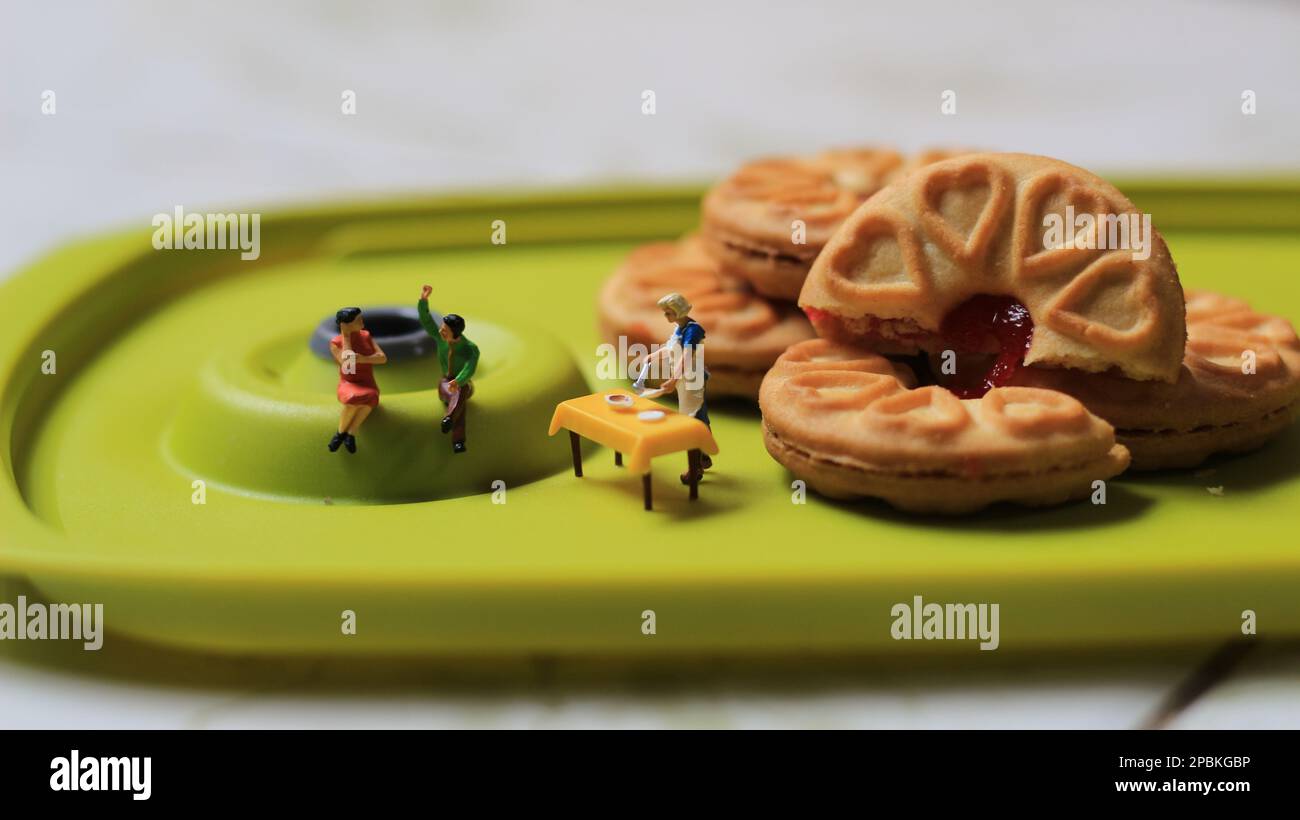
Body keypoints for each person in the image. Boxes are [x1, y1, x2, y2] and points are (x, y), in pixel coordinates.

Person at [633, 292, 713, 483]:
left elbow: (685, 357)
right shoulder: (680, 328)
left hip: (691, 380)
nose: (665, 316)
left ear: (678, 311)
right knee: (696, 417)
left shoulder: (693, 331)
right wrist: (653, 356)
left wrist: (673, 379)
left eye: (668, 312)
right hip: (685, 381)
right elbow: (671, 349)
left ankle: (696, 468)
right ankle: (703, 456)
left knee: (690, 422)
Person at [417, 284, 480, 454]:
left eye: (445, 330)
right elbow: (426, 321)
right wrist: (423, 301)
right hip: (445, 382)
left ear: (455, 332)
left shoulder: (469, 348)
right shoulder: (440, 339)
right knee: (459, 398)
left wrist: (458, 380)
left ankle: (452, 425)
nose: (440, 331)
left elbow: (470, 366)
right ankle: (451, 422)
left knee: (460, 391)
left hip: (461, 383)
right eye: (442, 328)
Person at [328, 307, 388, 453]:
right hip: (349, 383)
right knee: (352, 401)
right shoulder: (336, 343)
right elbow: (348, 366)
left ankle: (350, 433)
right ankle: (340, 432)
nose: (362, 321)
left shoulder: (366, 336)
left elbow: (382, 358)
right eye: (358, 320)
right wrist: (346, 337)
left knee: (371, 399)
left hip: (367, 381)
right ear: (346, 325)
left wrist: (364, 358)